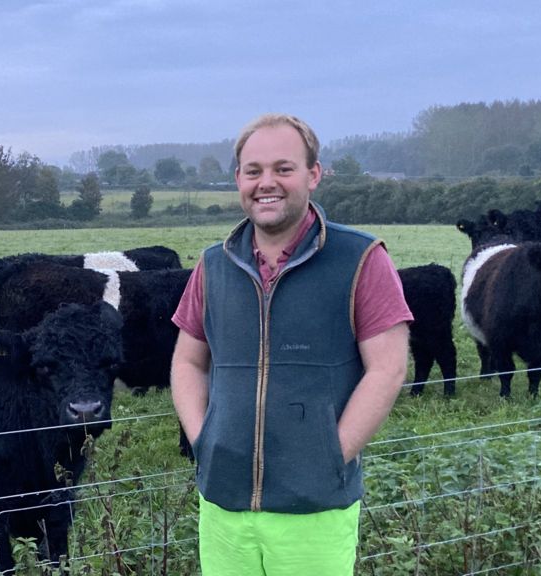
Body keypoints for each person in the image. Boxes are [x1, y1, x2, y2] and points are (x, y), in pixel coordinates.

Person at [170, 114, 412, 575]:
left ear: (313, 174)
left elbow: (388, 369)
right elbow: (187, 359)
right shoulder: (212, 266)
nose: (267, 183)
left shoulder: (360, 259)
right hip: (224, 507)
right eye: (253, 170)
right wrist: (205, 440)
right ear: (238, 178)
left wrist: (330, 455)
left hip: (314, 508)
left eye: (284, 168)